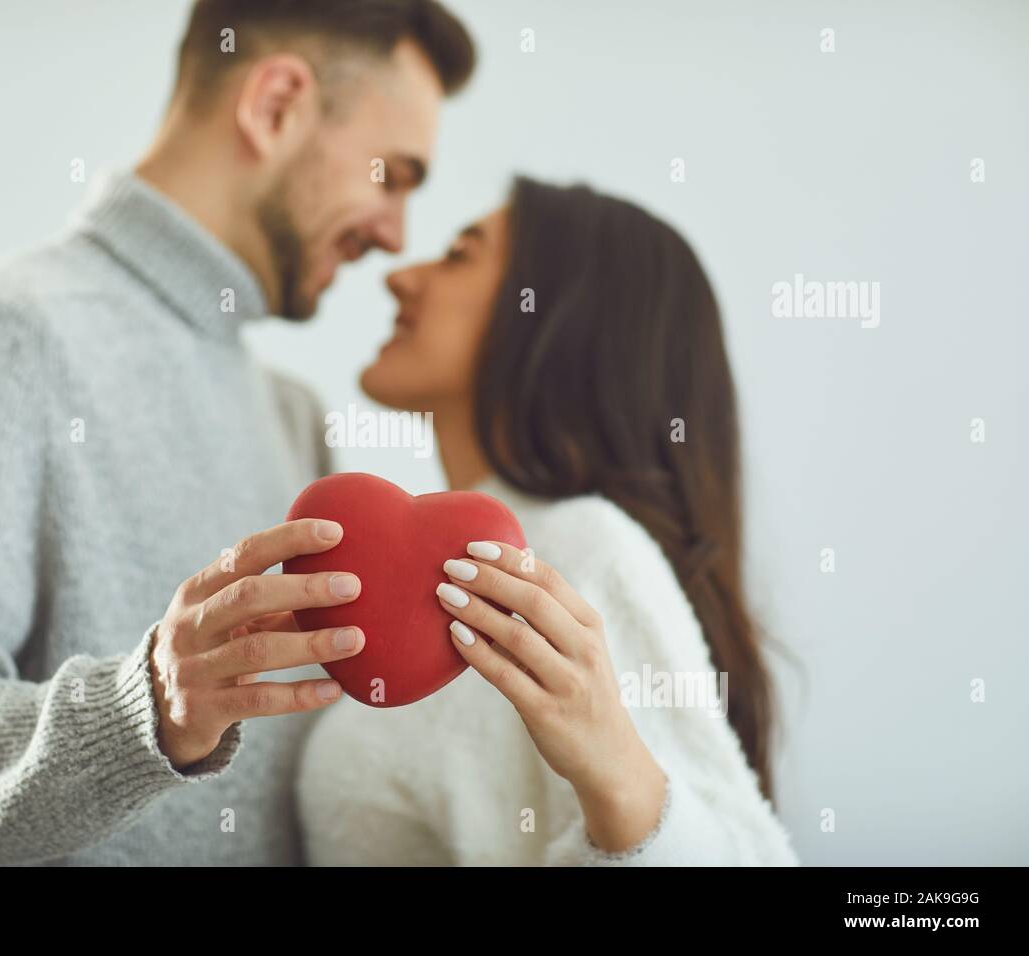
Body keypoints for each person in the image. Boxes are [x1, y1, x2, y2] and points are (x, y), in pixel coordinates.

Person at [0, 0, 475, 866]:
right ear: (276, 105)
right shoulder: (3, 331)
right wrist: (149, 708)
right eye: (390, 176)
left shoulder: (290, 412)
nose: (395, 234)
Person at [296, 177, 800, 865]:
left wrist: (616, 771)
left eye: (457, 255)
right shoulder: (464, 564)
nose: (401, 277)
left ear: (553, 314)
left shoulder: (583, 552)